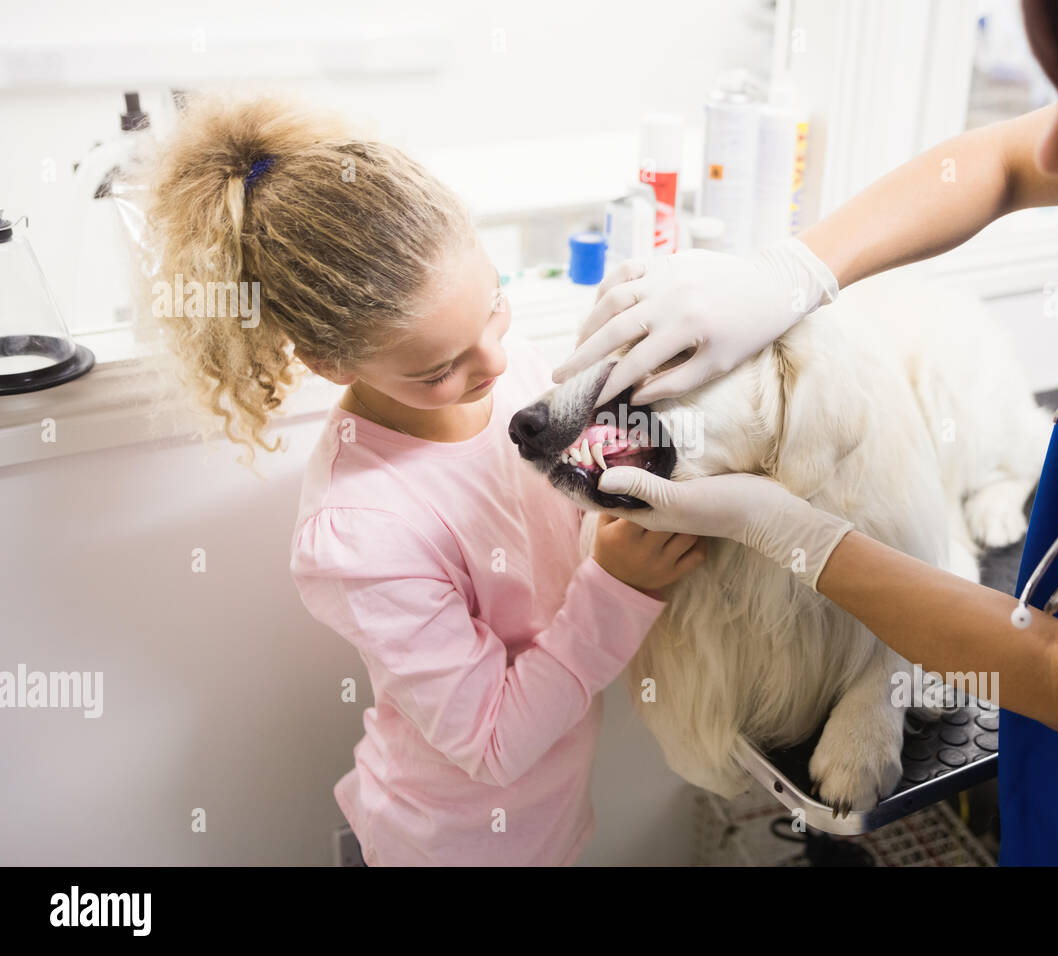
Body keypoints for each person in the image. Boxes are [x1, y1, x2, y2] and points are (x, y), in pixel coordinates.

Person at [553, 0, 1058, 865]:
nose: (1053, 153)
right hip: (1050, 788)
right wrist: (795, 270)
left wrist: (788, 531)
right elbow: (1001, 163)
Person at [143, 94, 706, 866]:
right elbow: (496, 742)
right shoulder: (362, 527)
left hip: (552, 819)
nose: (497, 363)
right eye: (439, 368)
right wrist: (614, 586)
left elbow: (545, 493)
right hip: (458, 846)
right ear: (331, 364)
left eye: (496, 306)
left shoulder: (494, 374)